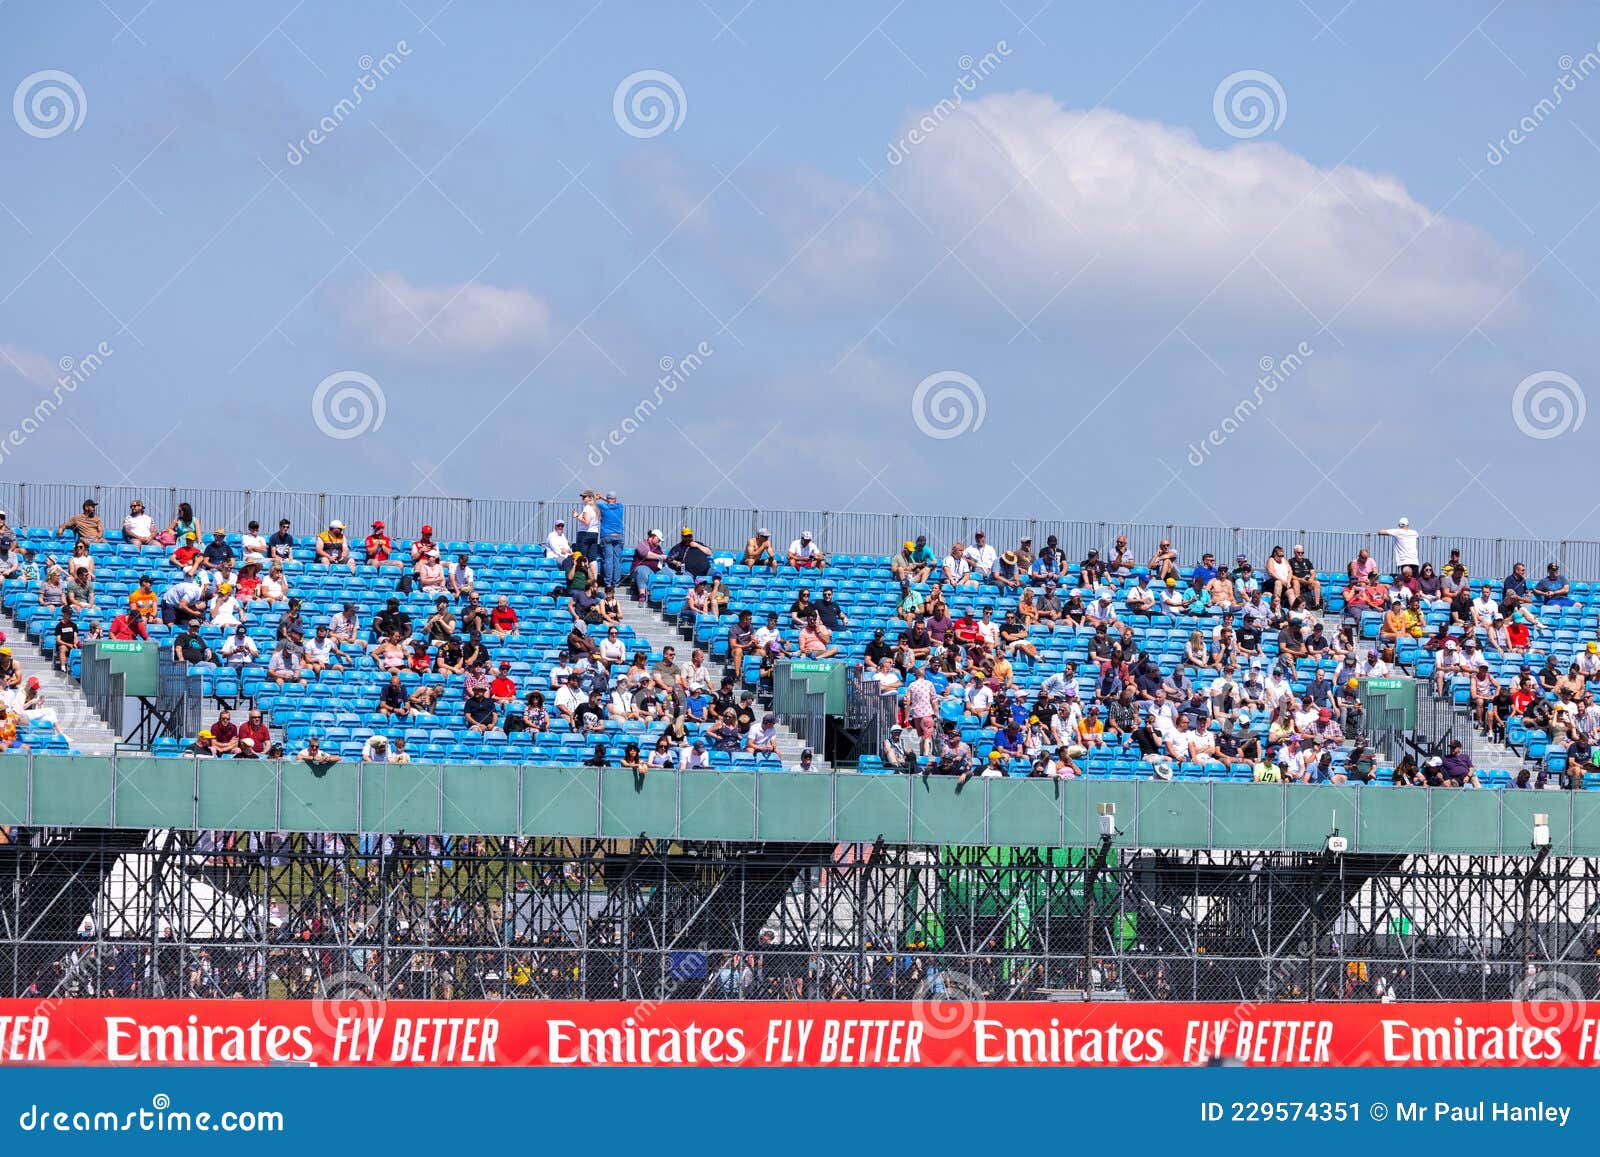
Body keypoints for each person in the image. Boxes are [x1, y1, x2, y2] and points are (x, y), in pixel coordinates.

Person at [596, 491, 626, 588]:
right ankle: (616, 582)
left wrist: (599, 498)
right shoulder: (620, 506)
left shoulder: (603, 507)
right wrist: (604, 498)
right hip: (619, 536)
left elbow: (592, 502)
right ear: (616, 499)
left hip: (607, 535)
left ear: (607, 499)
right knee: (617, 560)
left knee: (608, 560)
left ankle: (608, 582)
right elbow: (612, 502)